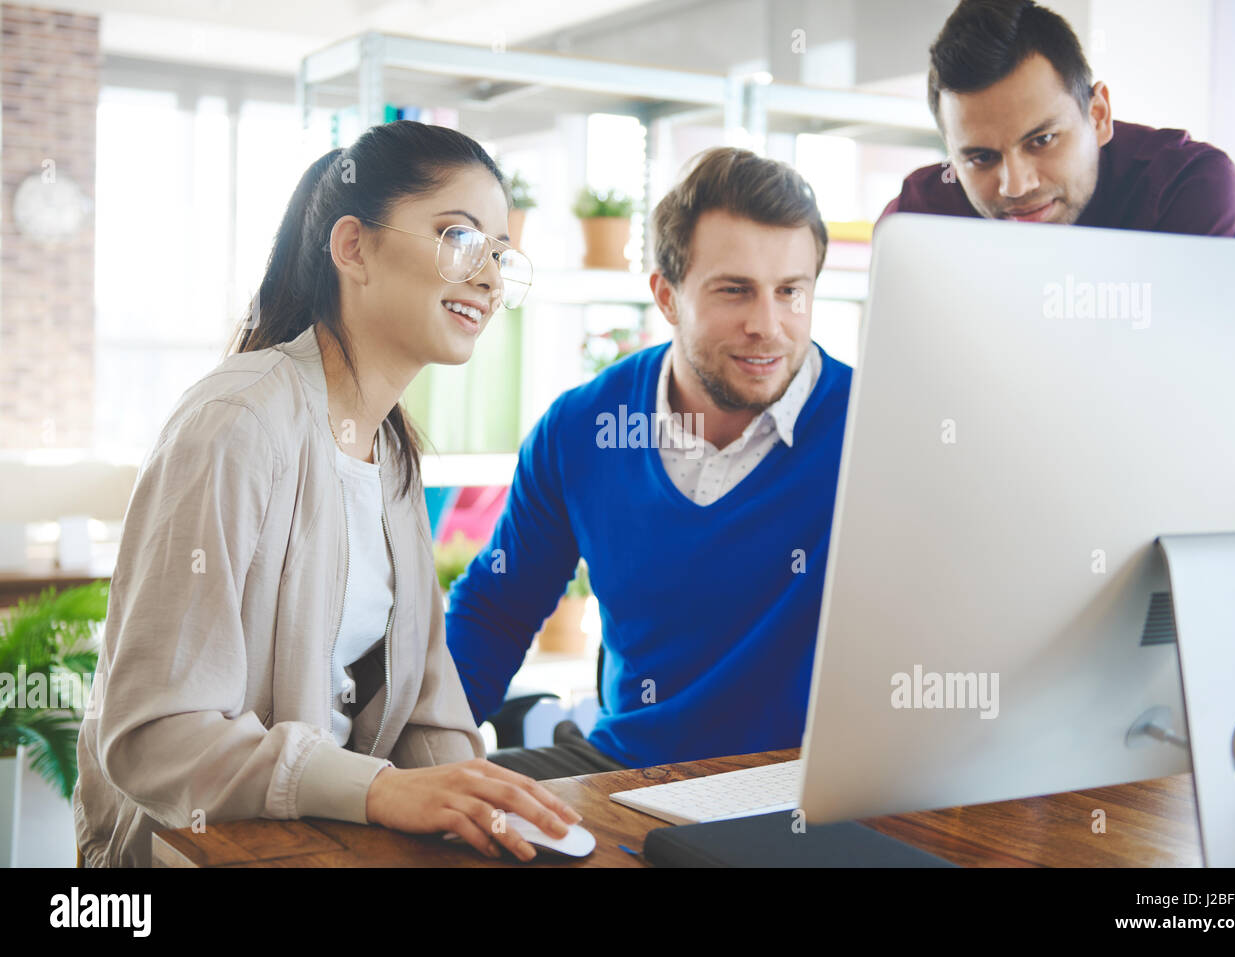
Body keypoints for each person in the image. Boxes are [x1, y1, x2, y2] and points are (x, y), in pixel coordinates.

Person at [73, 121, 580, 867]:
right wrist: (378, 789)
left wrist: (482, 804)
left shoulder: (395, 455)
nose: (489, 278)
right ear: (353, 248)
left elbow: (427, 708)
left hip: (328, 843)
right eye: (460, 238)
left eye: (501, 254)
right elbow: (153, 735)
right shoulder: (237, 423)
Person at [446, 147, 853, 778]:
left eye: (791, 293)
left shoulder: (873, 429)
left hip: (805, 785)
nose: (768, 326)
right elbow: (496, 612)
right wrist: (414, 763)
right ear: (666, 295)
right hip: (624, 768)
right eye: (735, 291)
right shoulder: (582, 428)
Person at [880, 0, 1235, 237]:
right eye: (981, 157)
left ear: (1099, 115)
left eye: (1041, 140)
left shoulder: (1183, 189)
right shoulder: (918, 222)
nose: (1016, 186)